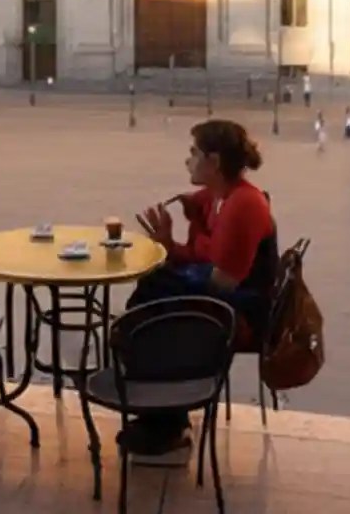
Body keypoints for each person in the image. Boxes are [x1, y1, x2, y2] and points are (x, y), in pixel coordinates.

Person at [126, 119, 278, 459]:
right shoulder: (220, 197)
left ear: (215, 162)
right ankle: (159, 412)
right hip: (223, 297)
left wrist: (168, 249)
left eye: (194, 153)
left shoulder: (243, 205)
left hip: (240, 312)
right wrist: (179, 236)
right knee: (149, 294)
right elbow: (203, 253)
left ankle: (166, 420)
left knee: (154, 317)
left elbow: (223, 280)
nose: (188, 160)